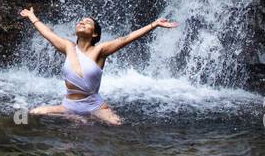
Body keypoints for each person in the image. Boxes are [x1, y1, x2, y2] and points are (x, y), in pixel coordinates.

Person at [20, 7, 178, 125]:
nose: (82, 22)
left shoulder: (100, 51)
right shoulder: (68, 47)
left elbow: (126, 38)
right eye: (80, 21)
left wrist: (155, 24)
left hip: (94, 106)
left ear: (94, 34)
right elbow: (48, 33)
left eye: (87, 23)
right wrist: (31, 16)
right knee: (31, 114)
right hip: (68, 105)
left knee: (118, 125)